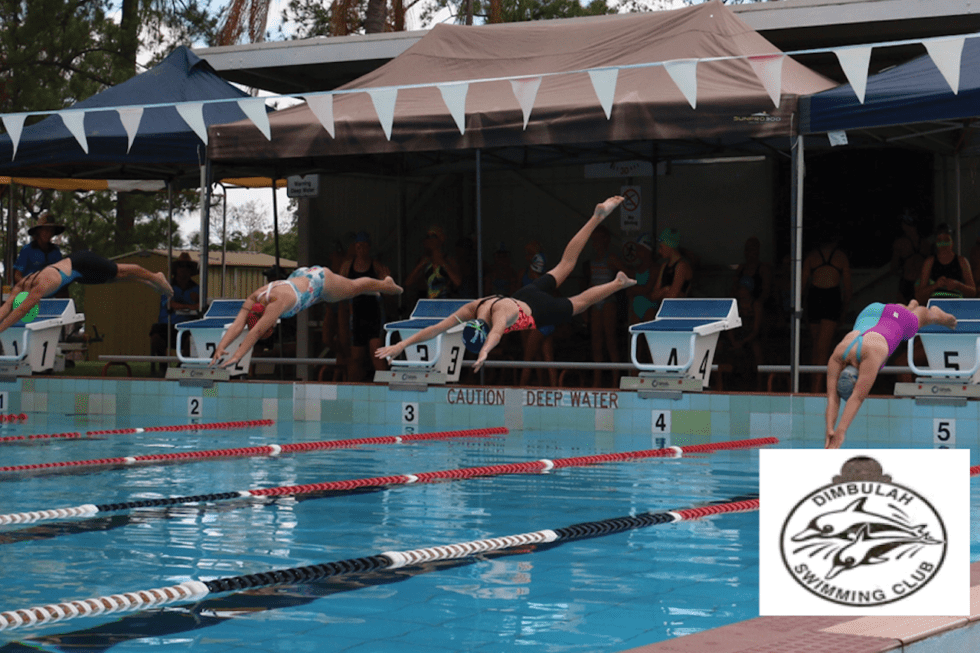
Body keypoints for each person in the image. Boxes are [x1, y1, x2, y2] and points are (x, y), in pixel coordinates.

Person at [376, 197, 636, 372]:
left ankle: (616, 283)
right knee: (565, 266)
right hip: (524, 294)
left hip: (535, 309)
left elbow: (497, 334)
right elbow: (434, 330)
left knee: (579, 304)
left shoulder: (494, 316)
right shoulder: (472, 309)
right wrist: (400, 345)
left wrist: (485, 352)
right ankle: (595, 218)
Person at [211, 265, 403, 369]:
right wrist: (221, 347)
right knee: (349, 291)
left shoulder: (277, 303)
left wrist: (237, 356)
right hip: (301, 278)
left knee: (353, 287)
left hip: (319, 282)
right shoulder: (255, 297)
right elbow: (237, 325)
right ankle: (370, 290)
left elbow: (256, 331)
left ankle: (385, 284)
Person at [825, 300, 957, 449]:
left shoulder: (871, 355)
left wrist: (841, 431)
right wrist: (829, 430)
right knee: (898, 313)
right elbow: (832, 398)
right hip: (871, 311)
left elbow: (857, 397)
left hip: (897, 319)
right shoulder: (838, 354)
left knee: (918, 320)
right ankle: (910, 306)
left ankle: (937, 315)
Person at [0, 251, 173, 335]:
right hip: (78, 274)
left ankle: (155, 276)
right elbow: (7, 306)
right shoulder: (22, 284)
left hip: (82, 262)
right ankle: (144, 281)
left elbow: (20, 311)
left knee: (120, 271)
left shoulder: (40, 287)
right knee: (111, 279)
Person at [338, 232, 395, 382]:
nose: (361, 249)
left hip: (374, 314)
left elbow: (389, 290)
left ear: (369, 248)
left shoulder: (376, 266)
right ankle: (354, 389)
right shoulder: (347, 267)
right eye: (358, 246)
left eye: (364, 246)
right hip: (356, 315)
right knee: (356, 357)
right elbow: (339, 290)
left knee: (376, 353)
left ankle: (385, 387)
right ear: (354, 248)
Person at [802, 233, 852, 393]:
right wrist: (844, 310)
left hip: (815, 298)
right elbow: (848, 289)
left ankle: (814, 386)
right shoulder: (840, 257)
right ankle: (816, 387)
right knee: (821, 347)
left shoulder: (812, 257)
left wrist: (801, 308)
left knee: (817, 345)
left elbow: (801, 286)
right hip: (830, 299)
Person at [587, 224, 626, 388]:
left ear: (606, 240)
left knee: (610, 340)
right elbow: (590, 283)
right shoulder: (592, 262)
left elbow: (627, 275)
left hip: (609, 301)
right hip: (595, 302)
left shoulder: (612, 259)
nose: (596, 243)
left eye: (599, 239)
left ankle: (616, 379)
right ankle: (597, 380)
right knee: (596, 341)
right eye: (594, 240)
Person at [149, 252, 200, 376]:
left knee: (194, 338)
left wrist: (197, 301)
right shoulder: (167, 286)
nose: (184, 269)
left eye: (187, 266)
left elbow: (201, 306)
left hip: (187, 326)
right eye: (181, 266)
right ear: (176, 269)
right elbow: (170, 304)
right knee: (155, 336)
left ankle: (179, 368)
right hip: (168, 325)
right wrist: (190, 306)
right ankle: (163, 366)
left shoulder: (197, 289)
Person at [917, 223, 975, 303]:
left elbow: (973, 292)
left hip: (957, 306)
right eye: (940, 240)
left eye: (946, 240)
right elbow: (919, 296)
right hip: (936, 308)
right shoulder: (929, 262)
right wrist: (935, 286)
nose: (943, 244)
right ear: (936, 243)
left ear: (952, 242)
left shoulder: (962, 261)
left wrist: (958, 285)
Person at [406, 225, 461, 300]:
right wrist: (419, 266)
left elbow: (458, 282)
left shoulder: (449, 259)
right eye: (427, 236)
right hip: (427, 303)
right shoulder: (424, 261)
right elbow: (408, 283)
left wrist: (443, 264)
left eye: (433, 236)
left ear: (441, 239)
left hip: (446, 302)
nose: (429, 239)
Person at [14, 212, 64, 284]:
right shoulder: (27, 249)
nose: (48, 233)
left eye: (51, 231)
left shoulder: (55, 251)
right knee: (18, 295)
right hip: (27, 289)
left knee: (63, 292)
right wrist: (27, 285)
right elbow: (17, 275)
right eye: (46, 230)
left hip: (48, 290)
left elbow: (61, 273)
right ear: (39, 231)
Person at [891, 210, 927, 304]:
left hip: (907, 283)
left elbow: (894, 268)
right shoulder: (925, 243)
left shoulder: (900, 244)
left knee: (903, 314)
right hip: (920, 284)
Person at [650, 227, 693, 303]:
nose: (659, 251)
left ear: (669, 246)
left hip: (679, 312)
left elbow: (672, 298)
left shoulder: (681, 266)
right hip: (665, 311)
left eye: (661, 247)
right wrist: (665, 289)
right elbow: (653, 296)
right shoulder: (664, 266)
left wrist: (660, 293)